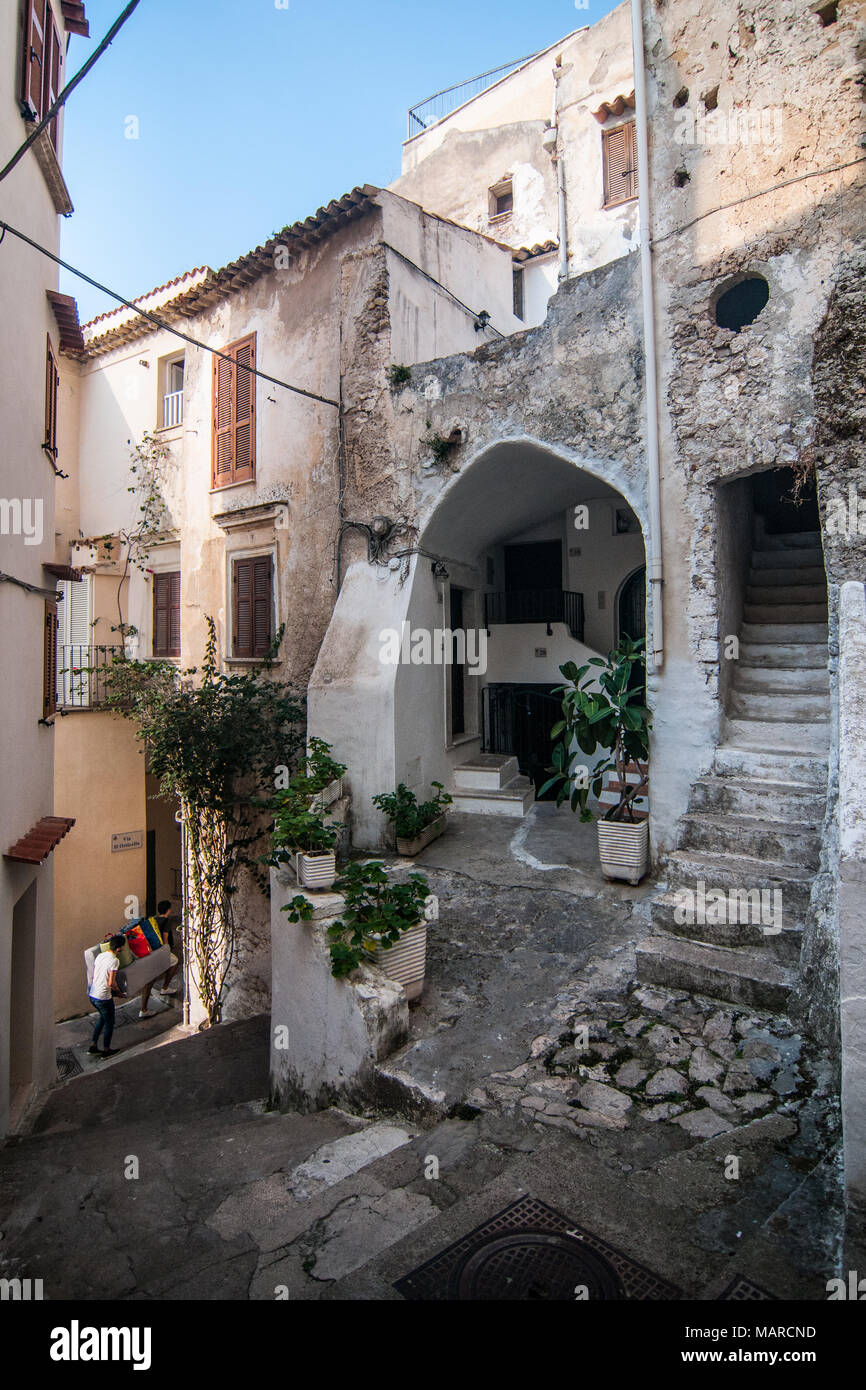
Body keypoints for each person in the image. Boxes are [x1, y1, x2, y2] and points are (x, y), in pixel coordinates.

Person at [138, 901, 181, 1019]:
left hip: (150, 952)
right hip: (160, 952)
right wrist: (166, 950)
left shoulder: (154, 920)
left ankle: (143, 1008)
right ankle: (165, 987)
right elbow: (165, 937)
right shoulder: (166, 921)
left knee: (149, 981)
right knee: (175, 962)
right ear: (168, 910)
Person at [88, 934, 125, 1058]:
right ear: (118, 949)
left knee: (102, 1019)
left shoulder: (100, 956)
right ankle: (106, 1050)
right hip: (103, 997)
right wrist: (119, 992)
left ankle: (93, 1045)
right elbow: (111, 983)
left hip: (93, 994)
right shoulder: (115, 960)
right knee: (109, 1022)